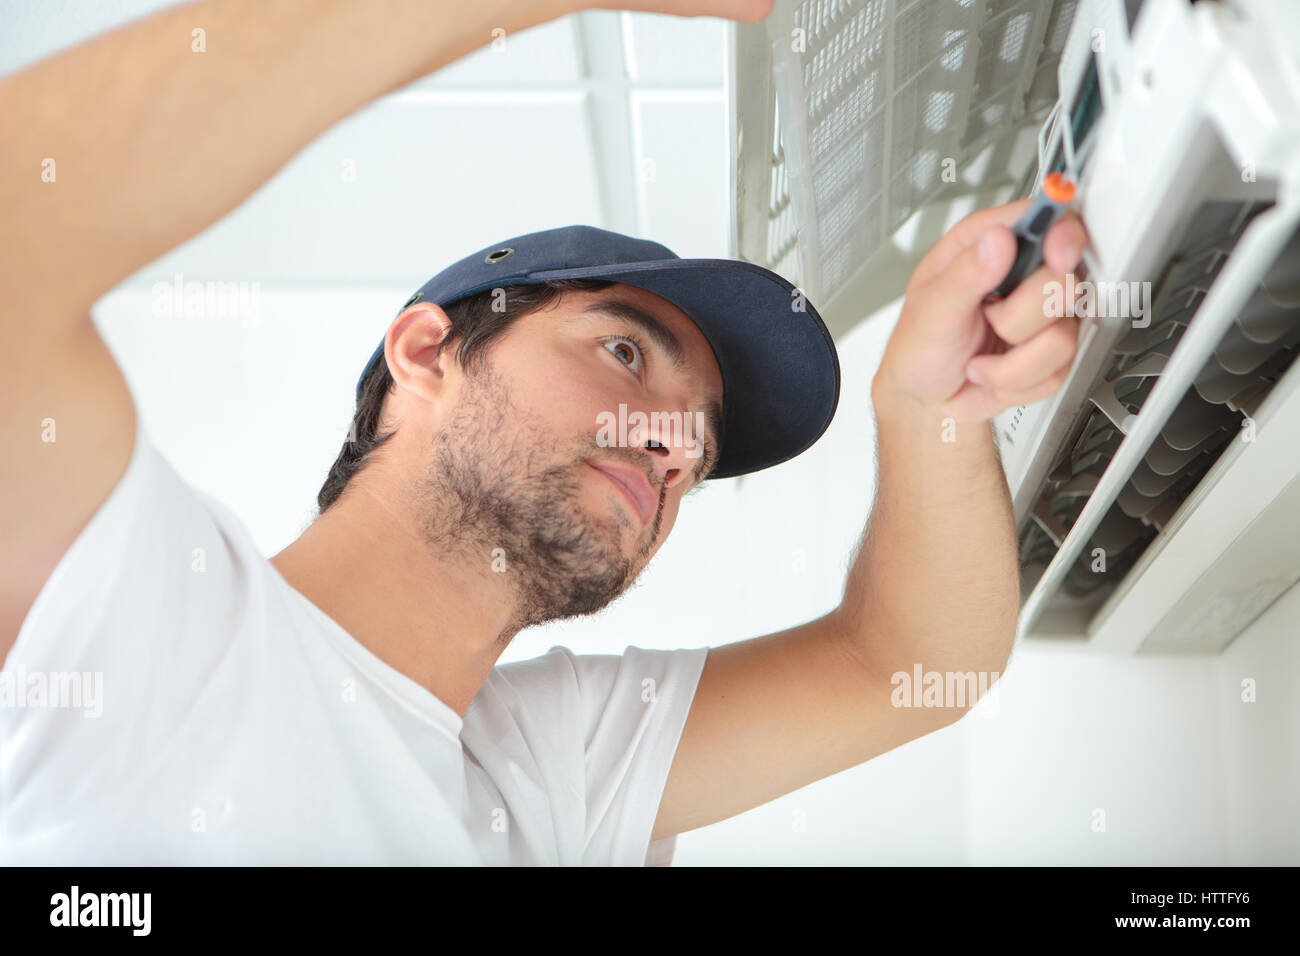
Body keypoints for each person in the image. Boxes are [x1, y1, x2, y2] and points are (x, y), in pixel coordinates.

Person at [0, 0, 1087, 865]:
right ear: (426, 350)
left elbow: (906, 663)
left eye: (698, 452)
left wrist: (933, 409)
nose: (673, 449)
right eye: (622, 351)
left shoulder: (552, 767)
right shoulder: (148, 612)